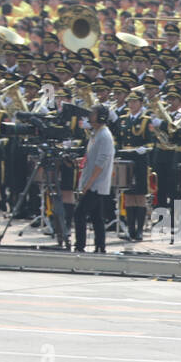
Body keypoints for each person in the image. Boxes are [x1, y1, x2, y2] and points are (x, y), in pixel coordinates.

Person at [74, 104, 114, 254]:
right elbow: (92, 156)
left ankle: (80, 246)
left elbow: (101, 163)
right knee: (97, 217)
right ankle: (100, 246)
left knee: (79, 213)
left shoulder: (104, 135)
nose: (90, 116)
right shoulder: (95, 133)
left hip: (96, 184)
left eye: (93, 114)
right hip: (91, 182)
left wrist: (88, 184)